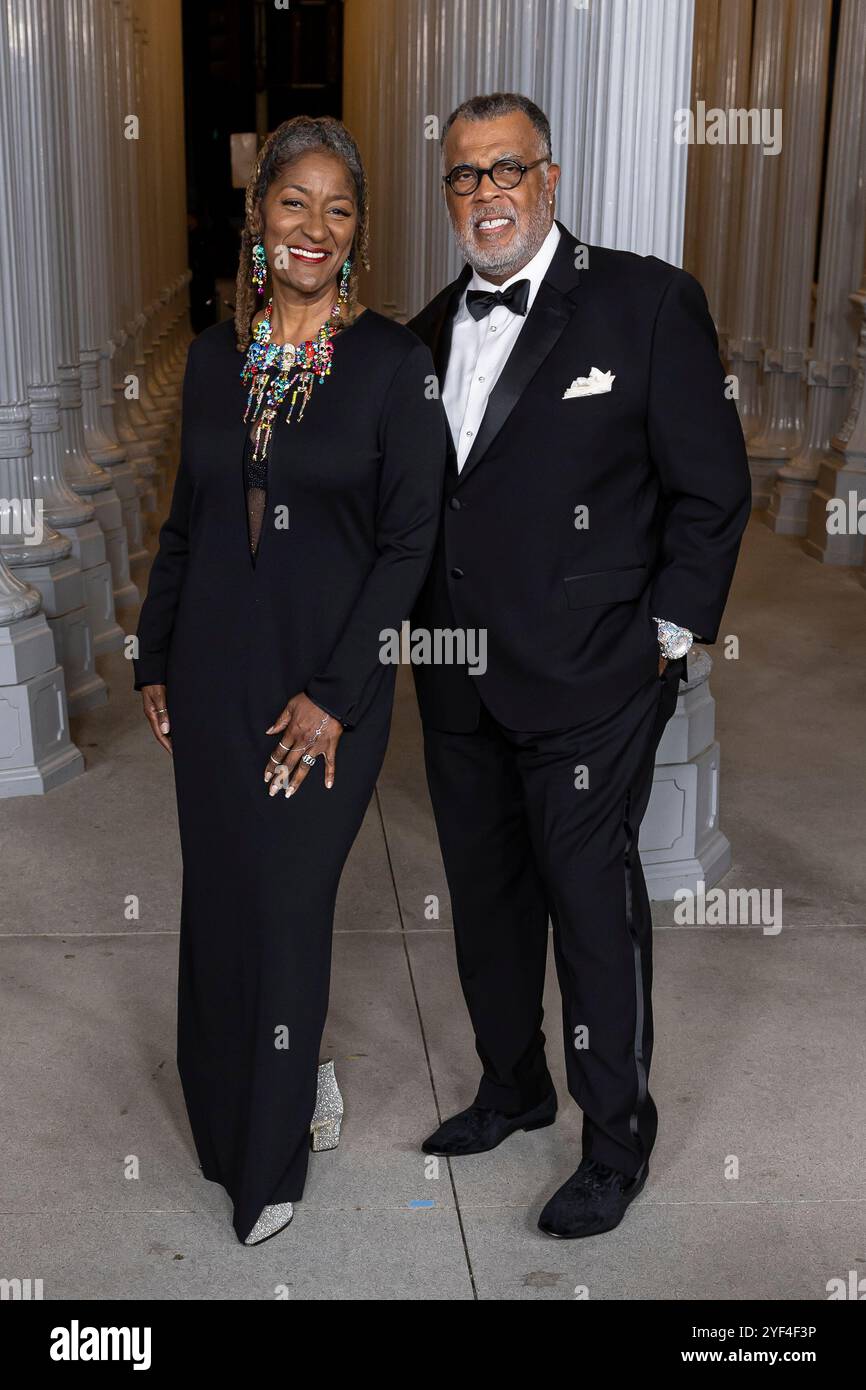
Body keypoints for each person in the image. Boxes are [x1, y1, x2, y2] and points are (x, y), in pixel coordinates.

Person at [409, 92, 751, 1239]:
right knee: (486, 898)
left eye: (507, 169)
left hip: (594, 673)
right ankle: (511, 1086)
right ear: (447, 192)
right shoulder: (421, 335)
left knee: (587, 902)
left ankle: (614, 1141)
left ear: (548, 180)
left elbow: (710, 486)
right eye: (464, 175)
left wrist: (664, 636)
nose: (487, 192)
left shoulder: (643, 301)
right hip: (457, 673)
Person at [134, 116, 446, 1246]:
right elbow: (188, 519)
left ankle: (264, 1165)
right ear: (257, 216)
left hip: (327, 689)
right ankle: (236, 1109)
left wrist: (336, 690)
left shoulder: (390, 365)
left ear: (357, 231)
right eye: (293, 203)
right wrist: (152, 654)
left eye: (338, 208)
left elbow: (409, 544)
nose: (313, 227)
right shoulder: (219, 357)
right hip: (214, 675)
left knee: (284, 903)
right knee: (219, 900)